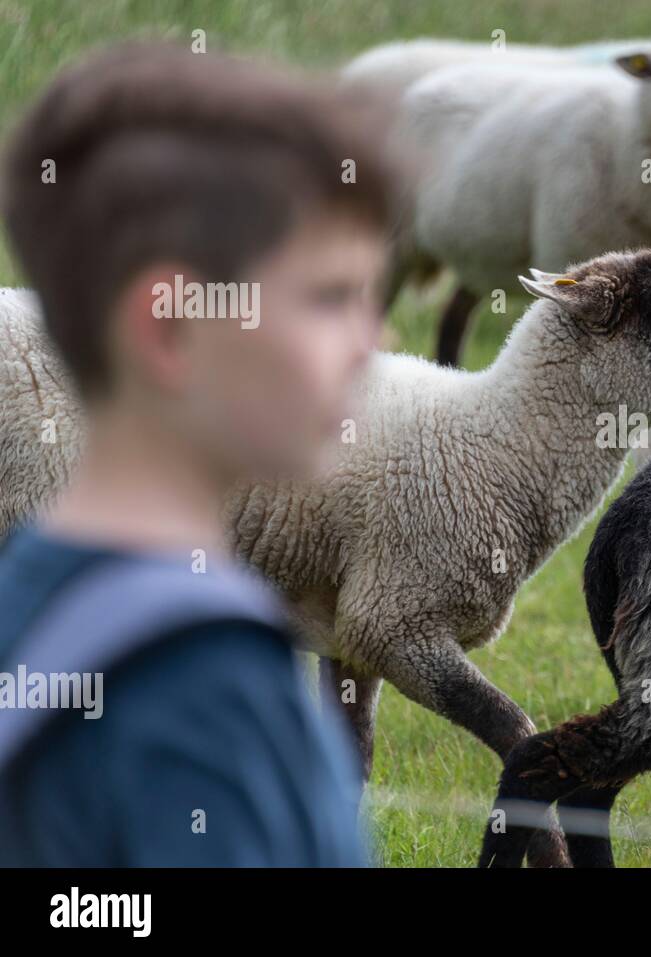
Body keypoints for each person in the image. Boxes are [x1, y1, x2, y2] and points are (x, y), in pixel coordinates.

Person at [0, 44, 397, 865]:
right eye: (331, 298)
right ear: (172, 325)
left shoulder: (26, 598)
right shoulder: (214, 695)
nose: (375, 343)